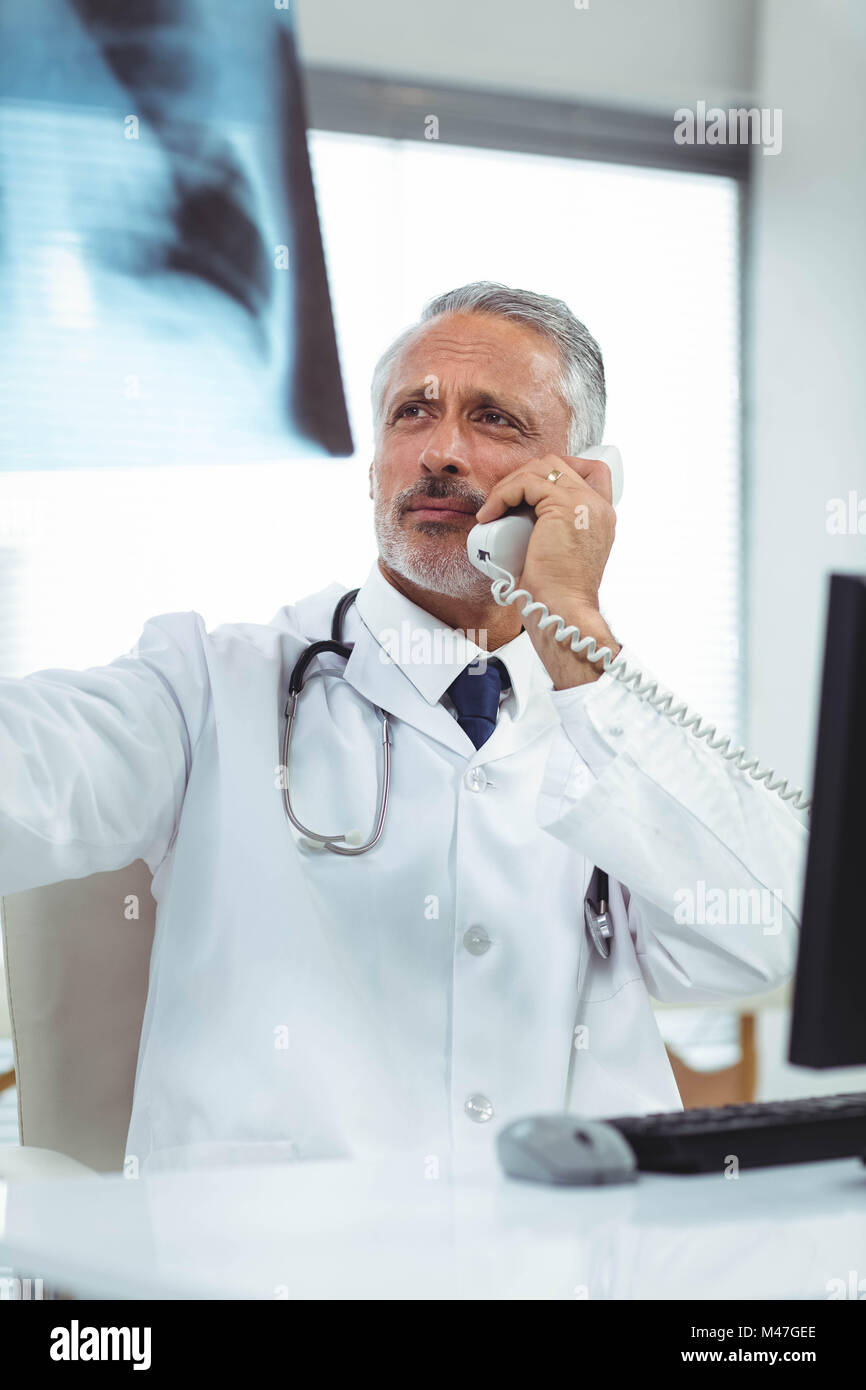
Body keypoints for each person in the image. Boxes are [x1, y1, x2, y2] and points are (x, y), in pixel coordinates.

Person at [0, 282, 806, 1177]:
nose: (442, 451)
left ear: (583, 485)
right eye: (412, 413)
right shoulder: (206, 689)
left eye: (495, 419)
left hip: (571, 1262)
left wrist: (575, 626)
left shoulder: (607, 727)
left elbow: (760, 940)